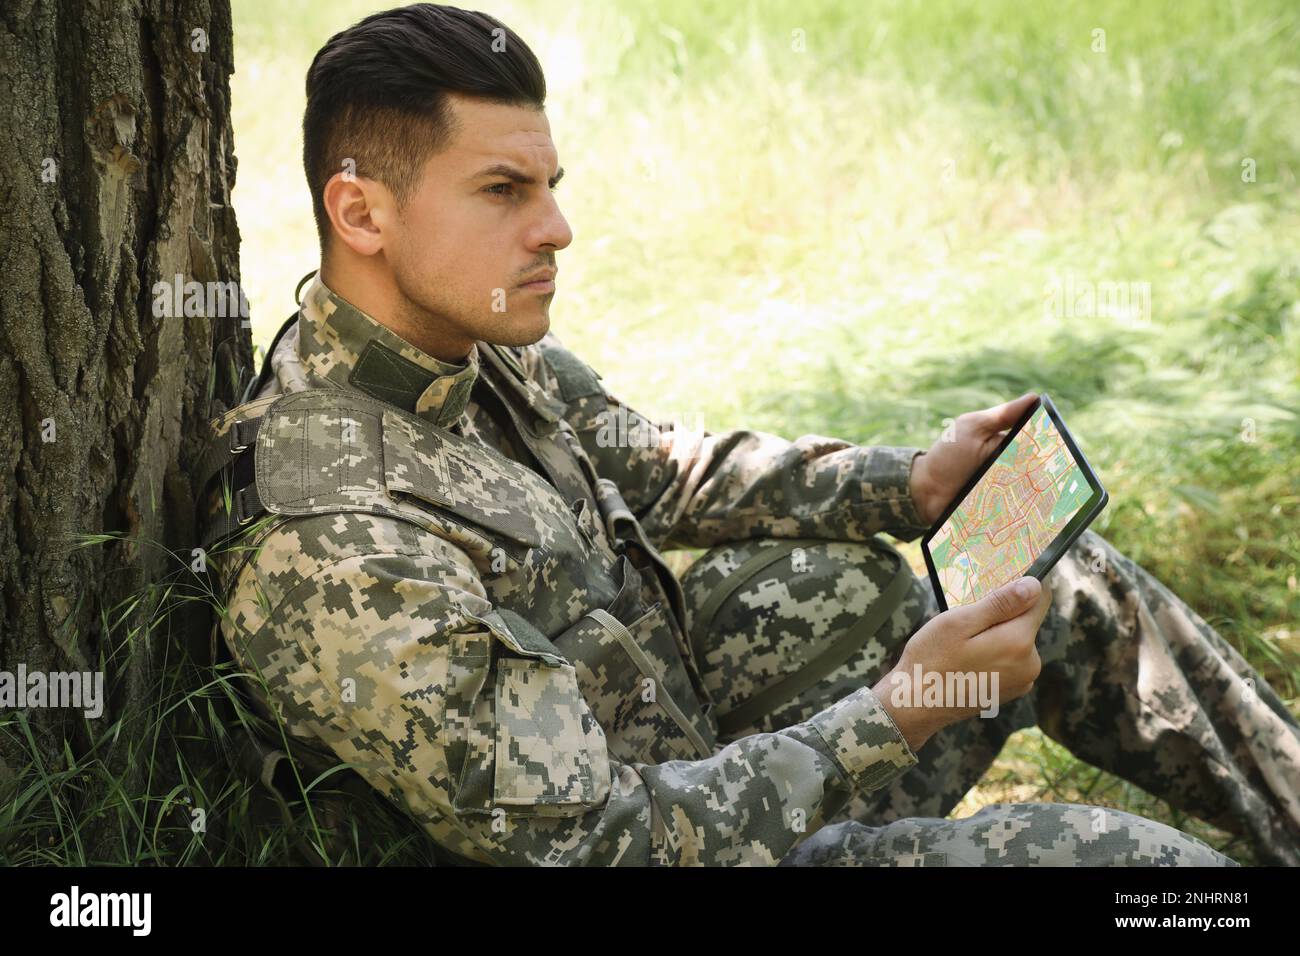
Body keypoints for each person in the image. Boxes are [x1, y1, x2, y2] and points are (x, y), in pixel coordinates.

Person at [199, 3, 1299, 866]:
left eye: (550, 184)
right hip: (635, 845)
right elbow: (594, 843)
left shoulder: (463, 342)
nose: (557, 227)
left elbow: (659, 466)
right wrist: (898, 711)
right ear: (361, 214)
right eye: (502, 189)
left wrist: (909, 484)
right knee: (1131, 871)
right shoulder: (330, 537)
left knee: (1053, 579)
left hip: (684, 756)